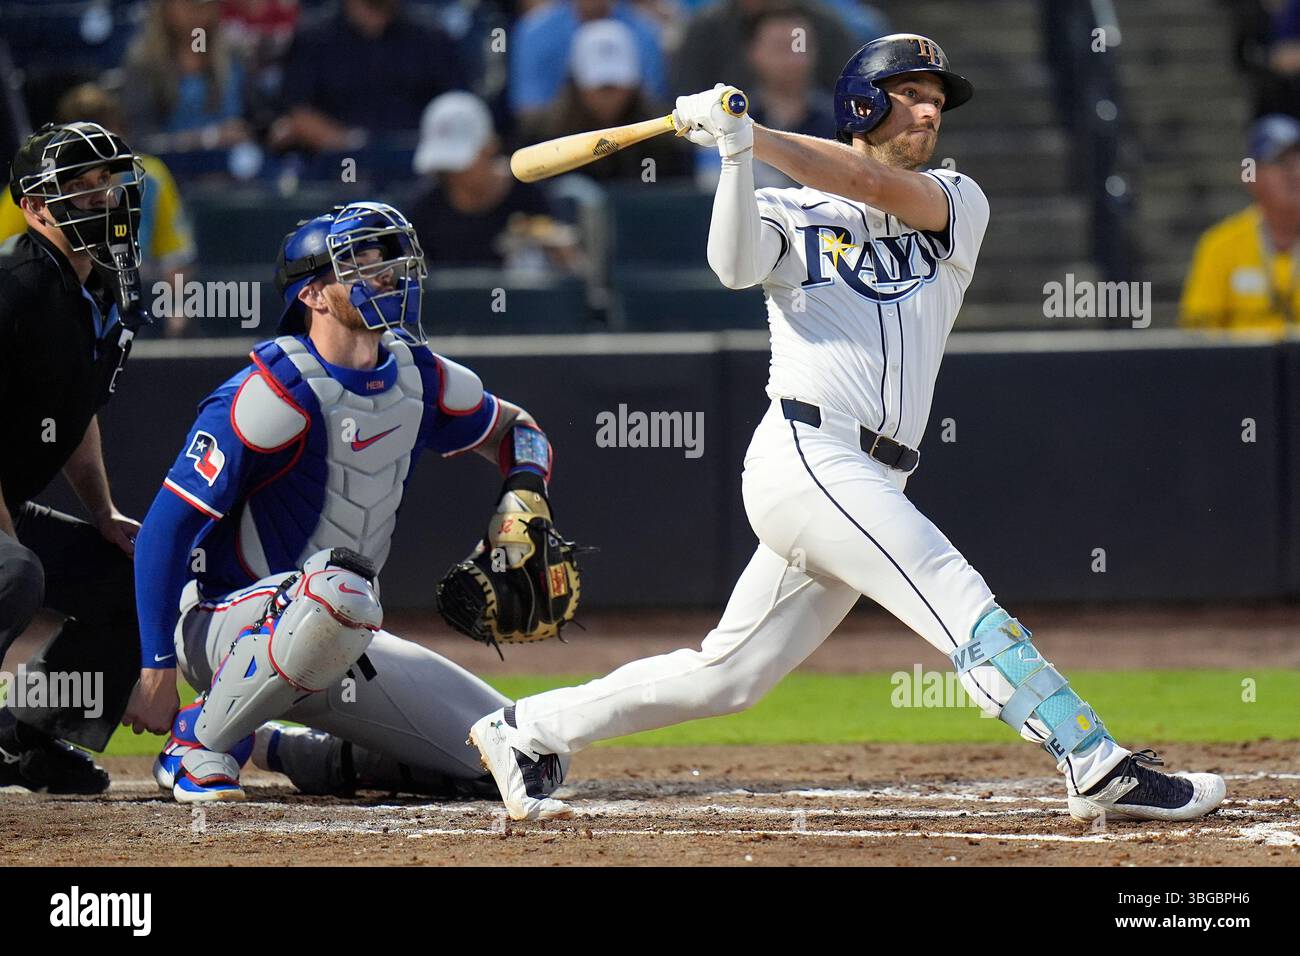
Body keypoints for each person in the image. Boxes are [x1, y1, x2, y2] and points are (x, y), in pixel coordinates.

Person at [468, 34, 1229, 825]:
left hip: (875, 472)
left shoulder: (957, 200)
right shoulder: (787, 207)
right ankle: (1094, 760)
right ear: (863, 103)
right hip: (808, 453)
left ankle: (525, 729)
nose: (931, 107)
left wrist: (751, 133)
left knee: (728, 676)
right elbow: (732, 268)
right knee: (952, 590)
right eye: (911, 92)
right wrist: (735, 157)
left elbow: (865, 178)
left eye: (937, 96)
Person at [125, 200, 577, 802]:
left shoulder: (421, 378)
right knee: (337, 590)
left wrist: (523, 492)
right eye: (359, 266)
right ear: (313, 295)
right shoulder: (272, 393)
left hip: (345, 633)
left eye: (387, 263)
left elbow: (520, 430)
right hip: (224, 625)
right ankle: (200, 742)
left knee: (531, 754)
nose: (385, 277)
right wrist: (155, 667)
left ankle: (296, 751)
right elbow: (165, 529)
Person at [0, 122, 151, 794]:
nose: (102, 199)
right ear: (35, 208)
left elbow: (77, 409)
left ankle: (27, 735)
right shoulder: (14, 286)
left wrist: (104, 512)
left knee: (131, 577)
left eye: (107, 184)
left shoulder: (110, 290)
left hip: (10, 497)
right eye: (79, 189)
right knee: (11, 574)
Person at [409, 92, 578, 270]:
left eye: (460, 165)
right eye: (445, 167)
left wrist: (558, 251)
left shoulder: (528, 195)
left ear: (490, 147)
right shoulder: (425, 206)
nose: (453, 176)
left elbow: (571, 270)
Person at [269, 0, 466, 153]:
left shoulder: (432, 36)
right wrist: (352, 145)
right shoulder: (314, 37)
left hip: (419, 161)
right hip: (339, 165)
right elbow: (299, 111)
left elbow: (457, 104)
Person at [520, 19, 691, 183]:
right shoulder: (544, 138)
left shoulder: (663, 144)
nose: (608, 96)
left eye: (617, 84)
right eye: (600, 86)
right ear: (577, 84)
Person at [1180, 114, 1300, 331]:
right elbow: (1198, 335)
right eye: (1282, 162)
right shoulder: (1222, 245)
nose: (1296, 173)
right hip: (1244, 364)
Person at [121, 0, 252, 152]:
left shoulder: (230, 53)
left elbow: (252, 121)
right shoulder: (144, 62)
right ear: (164, 8)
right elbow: (141, 140)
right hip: (171, 165)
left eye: (204, 4)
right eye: (187, 3)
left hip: (236, 161)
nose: (197, 10)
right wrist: (208, 138)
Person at [510, 0, 668, 118]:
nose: (606, 95)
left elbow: (655, 105)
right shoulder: (536, 33)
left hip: (634, 137)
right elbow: (529, 111)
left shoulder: (645, 32)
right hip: (560, 138)